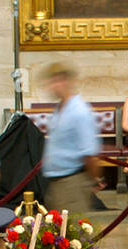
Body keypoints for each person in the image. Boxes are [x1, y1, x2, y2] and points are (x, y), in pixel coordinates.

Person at [39, 61, 102, 216]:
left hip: (72, 184)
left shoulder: (79, 111)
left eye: (54, 81)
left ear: (64, 81)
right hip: (55, 184)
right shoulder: (60, 109)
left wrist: (94, 180)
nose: (50, 87)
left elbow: (90, 153)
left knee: (73, 234)